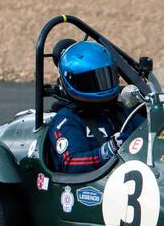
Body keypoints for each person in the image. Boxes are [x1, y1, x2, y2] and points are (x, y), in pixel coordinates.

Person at [48, 39, 142, 172]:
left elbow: (154, 133)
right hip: (87, 188)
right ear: (73, 82)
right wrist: (107, 151)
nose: (101, 85)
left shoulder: (123, 111)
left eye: (105, 76)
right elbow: (70, 162)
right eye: (91, 80)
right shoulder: (66, 120)